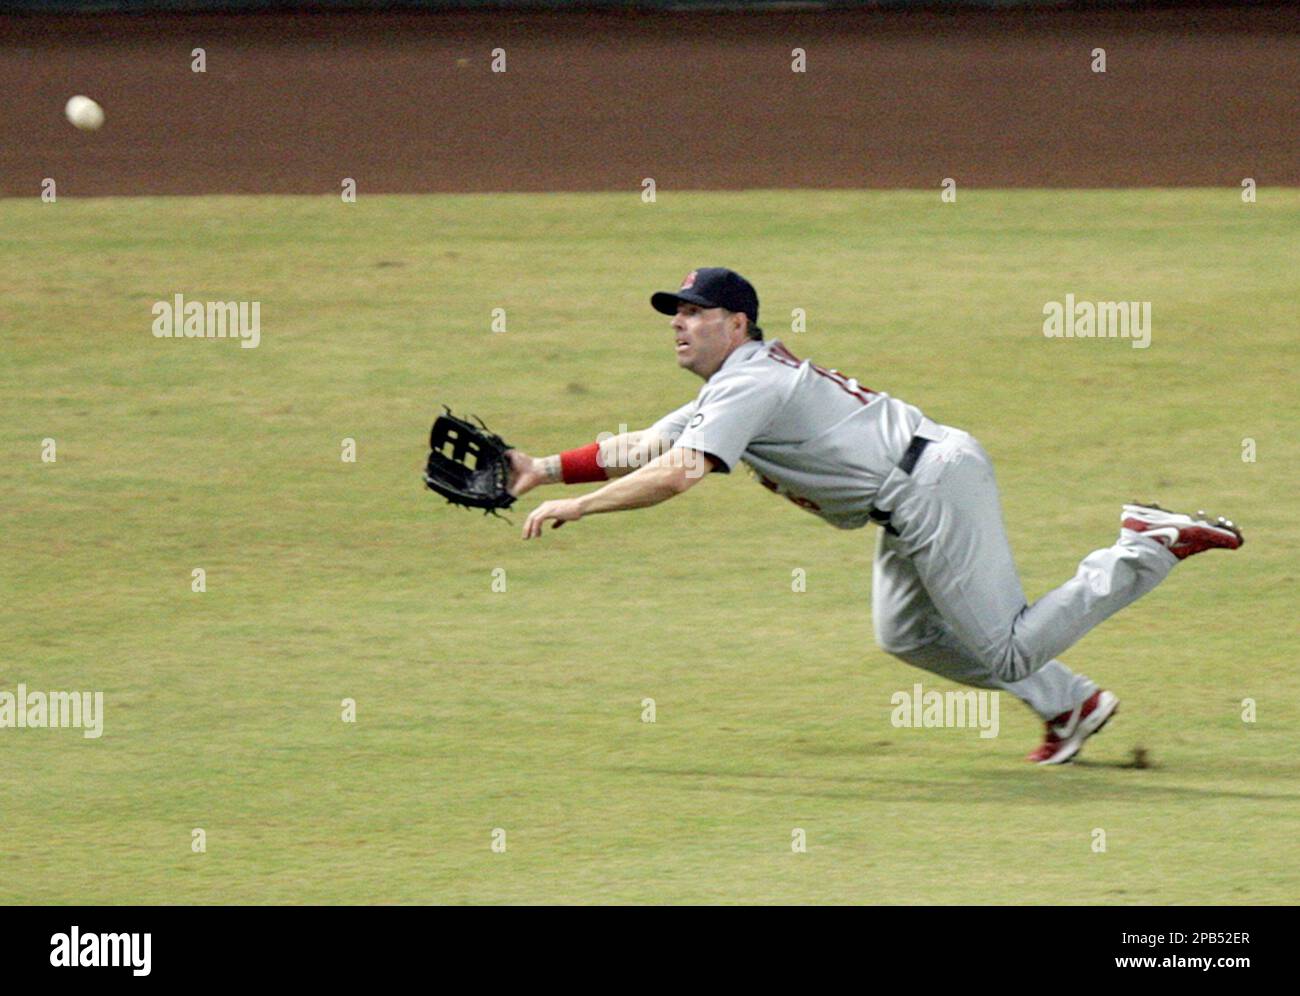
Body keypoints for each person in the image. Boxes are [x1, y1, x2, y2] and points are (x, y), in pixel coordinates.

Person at [506, 268, 1243, 764]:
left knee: (1009, 648)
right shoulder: (731, 387)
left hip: (929, 490)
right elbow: (645, 444)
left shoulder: (748, 384)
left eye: (695, 313)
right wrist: (539, 471)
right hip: (913, 492)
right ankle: (1072, 706)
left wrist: (580, 507)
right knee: (906, 634)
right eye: (676, 314)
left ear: (737, 324)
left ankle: (1142, 546)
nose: (680, 324)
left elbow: (677, 474)